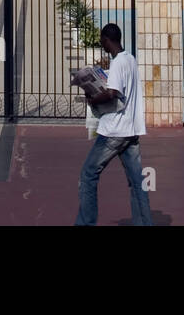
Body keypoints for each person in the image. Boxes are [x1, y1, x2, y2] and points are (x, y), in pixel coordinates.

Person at [74, 23, 151, 225]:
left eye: (102, 41)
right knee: (137, 182)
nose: (102, 44)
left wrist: (92, 98)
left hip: (115, 131)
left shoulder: (118, 63)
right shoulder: (130, 59)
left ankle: (85, 222)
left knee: (88, 174)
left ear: (107, 40)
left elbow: (112, 93)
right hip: (131, 130)